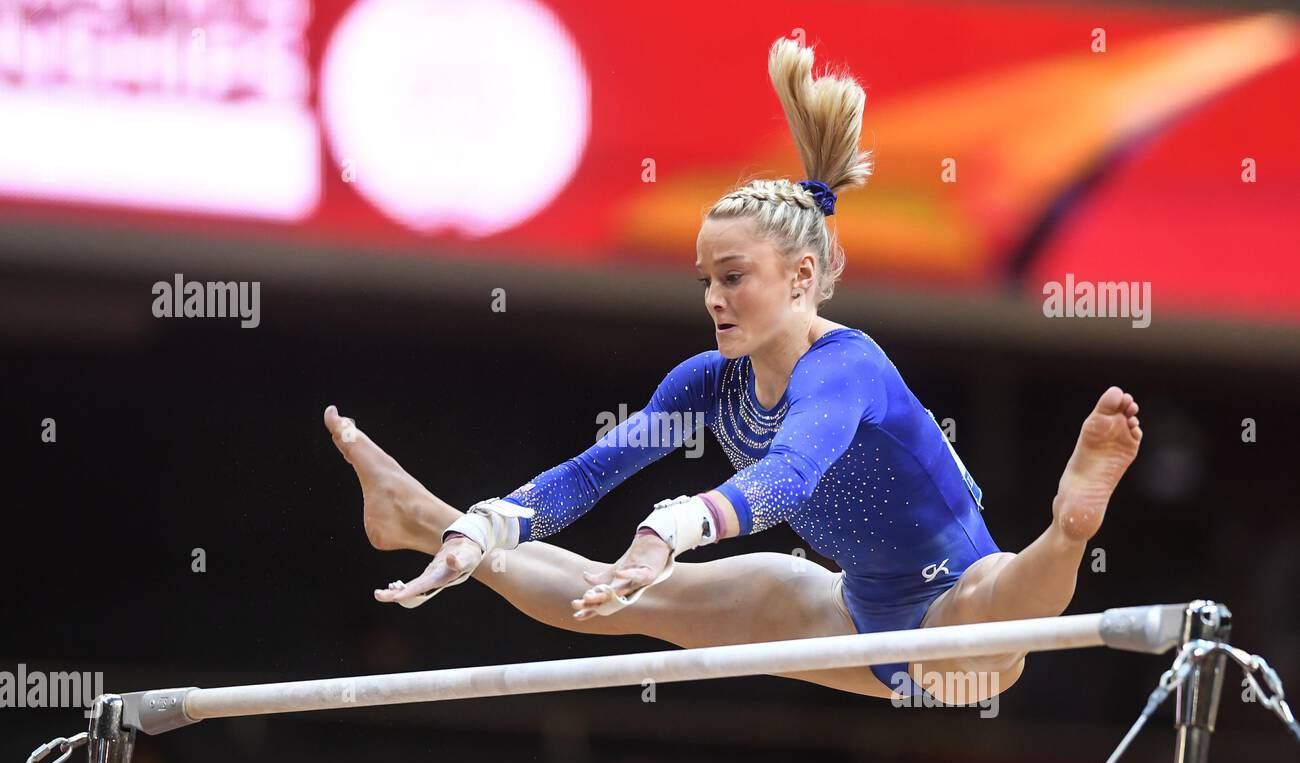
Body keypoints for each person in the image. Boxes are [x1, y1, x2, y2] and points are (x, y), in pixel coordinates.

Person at [323, 37, 1141, 705]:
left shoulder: (847, 368)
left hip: (953, 617)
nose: (713, 297)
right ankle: (422, 518)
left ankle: (1067, 527)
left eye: (734, 276)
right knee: (618, 604)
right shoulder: (710, 384)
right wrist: (486, 526)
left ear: (802, 279)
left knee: (996, 619)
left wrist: (666, 529)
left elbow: (790, 475)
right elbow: (591, 474)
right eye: (706, 279)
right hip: (850, 615)